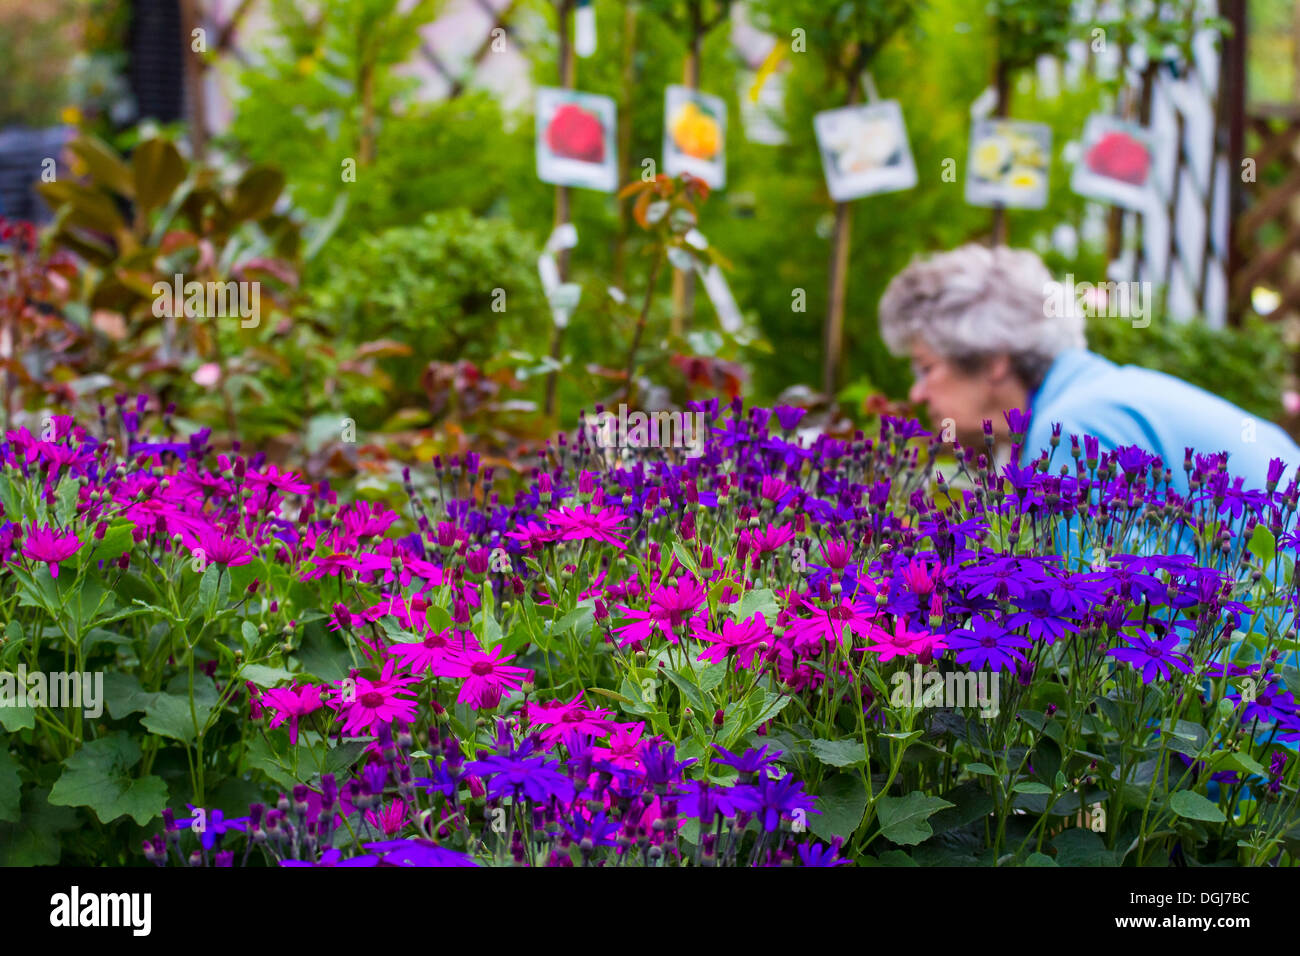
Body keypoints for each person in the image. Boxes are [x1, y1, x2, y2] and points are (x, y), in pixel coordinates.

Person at [877, 243, 1300, 496]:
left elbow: (1115, 628)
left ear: (993, 360)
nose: (917, 395)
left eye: (926, 369)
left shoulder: (1069, 433)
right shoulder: (1105, 393)